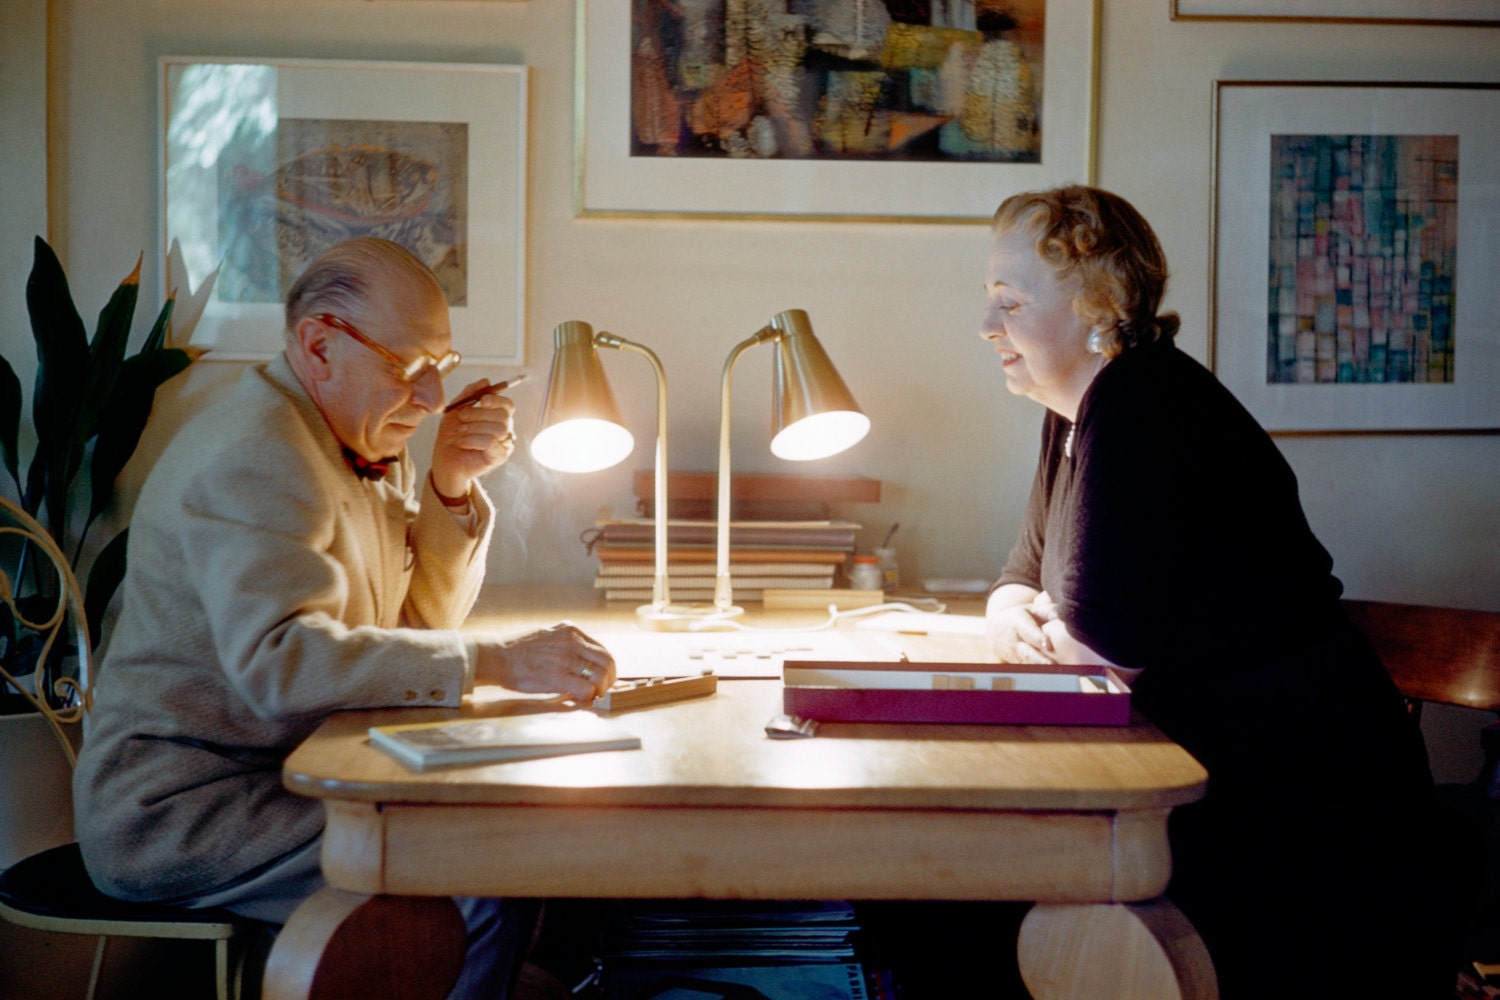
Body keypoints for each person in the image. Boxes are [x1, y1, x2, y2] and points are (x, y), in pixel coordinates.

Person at [72, 237, 617, 999]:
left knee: (517, 839)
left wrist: (450, 487)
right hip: (185, 811)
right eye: (410, 368)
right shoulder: (255, 456)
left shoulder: (342, 436)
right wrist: (499, 662)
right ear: (320, 346)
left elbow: (412, 633)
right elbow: (282, 662)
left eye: (443, 370)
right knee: (486, 866)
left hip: (289, 773)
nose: (431, 402)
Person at [978, 185, 1467, 997]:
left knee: (981, 905)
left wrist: (1052, 633)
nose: (988, 327)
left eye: (1011, 302)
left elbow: (1097, 663)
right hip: (1226, 775)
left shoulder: (1141, 402)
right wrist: (1011, 614)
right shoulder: (1075, 413)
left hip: (1301, 817)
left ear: (1101, 304)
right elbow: (1017, 580)